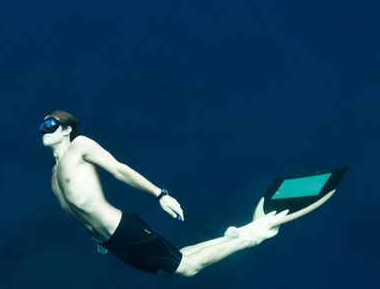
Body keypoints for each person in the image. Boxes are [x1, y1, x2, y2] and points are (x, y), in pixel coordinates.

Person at [40, 109, 303, 277]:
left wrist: (160, 195)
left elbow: (119, 170)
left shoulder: (80, 146)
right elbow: (77, 210)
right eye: (42, 126)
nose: (45, 129)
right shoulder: (53, 176)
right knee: (175, 262)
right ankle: (234, 235)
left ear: (66, 130)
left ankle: (252, 237)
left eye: (51, 124)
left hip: (121, 228)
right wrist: (96, 239)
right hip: (110, 242)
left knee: (187, 268)